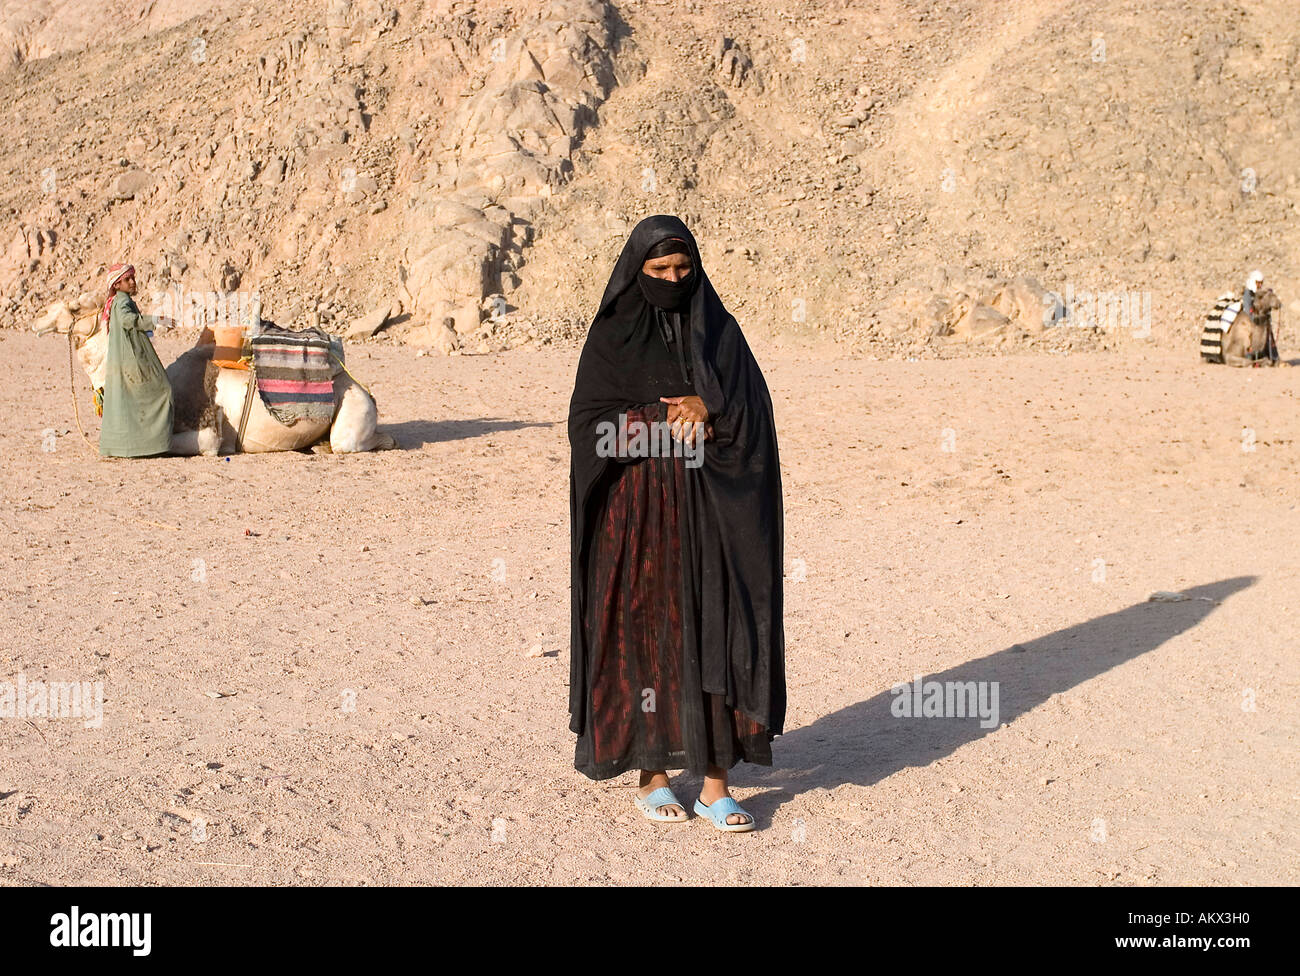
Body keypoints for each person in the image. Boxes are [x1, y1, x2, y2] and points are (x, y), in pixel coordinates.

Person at [568, 215, 785, 831]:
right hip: (637, 518)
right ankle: (653, 774)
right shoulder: (611, 337)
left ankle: (716, 784)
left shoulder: (718, 329)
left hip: (712, 508)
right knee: (648, 633)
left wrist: (709, 407)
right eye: (659, 270)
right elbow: (589, 428)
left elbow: (755, 415)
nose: (673, 279)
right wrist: (659, 422)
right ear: (636, 271)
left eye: (683, 269)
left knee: (715, 627)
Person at [97, 263, 174, 458]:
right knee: (163, 390)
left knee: (126, 401)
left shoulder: (119, 300)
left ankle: (126, 445)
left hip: (124, 358)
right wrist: (156, 320)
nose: (132, 282)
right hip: (132, 359)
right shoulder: (122, 302)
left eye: (133, 278)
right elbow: (126, 320)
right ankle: (153, 444)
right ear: (116, 284)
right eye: (127, 280)